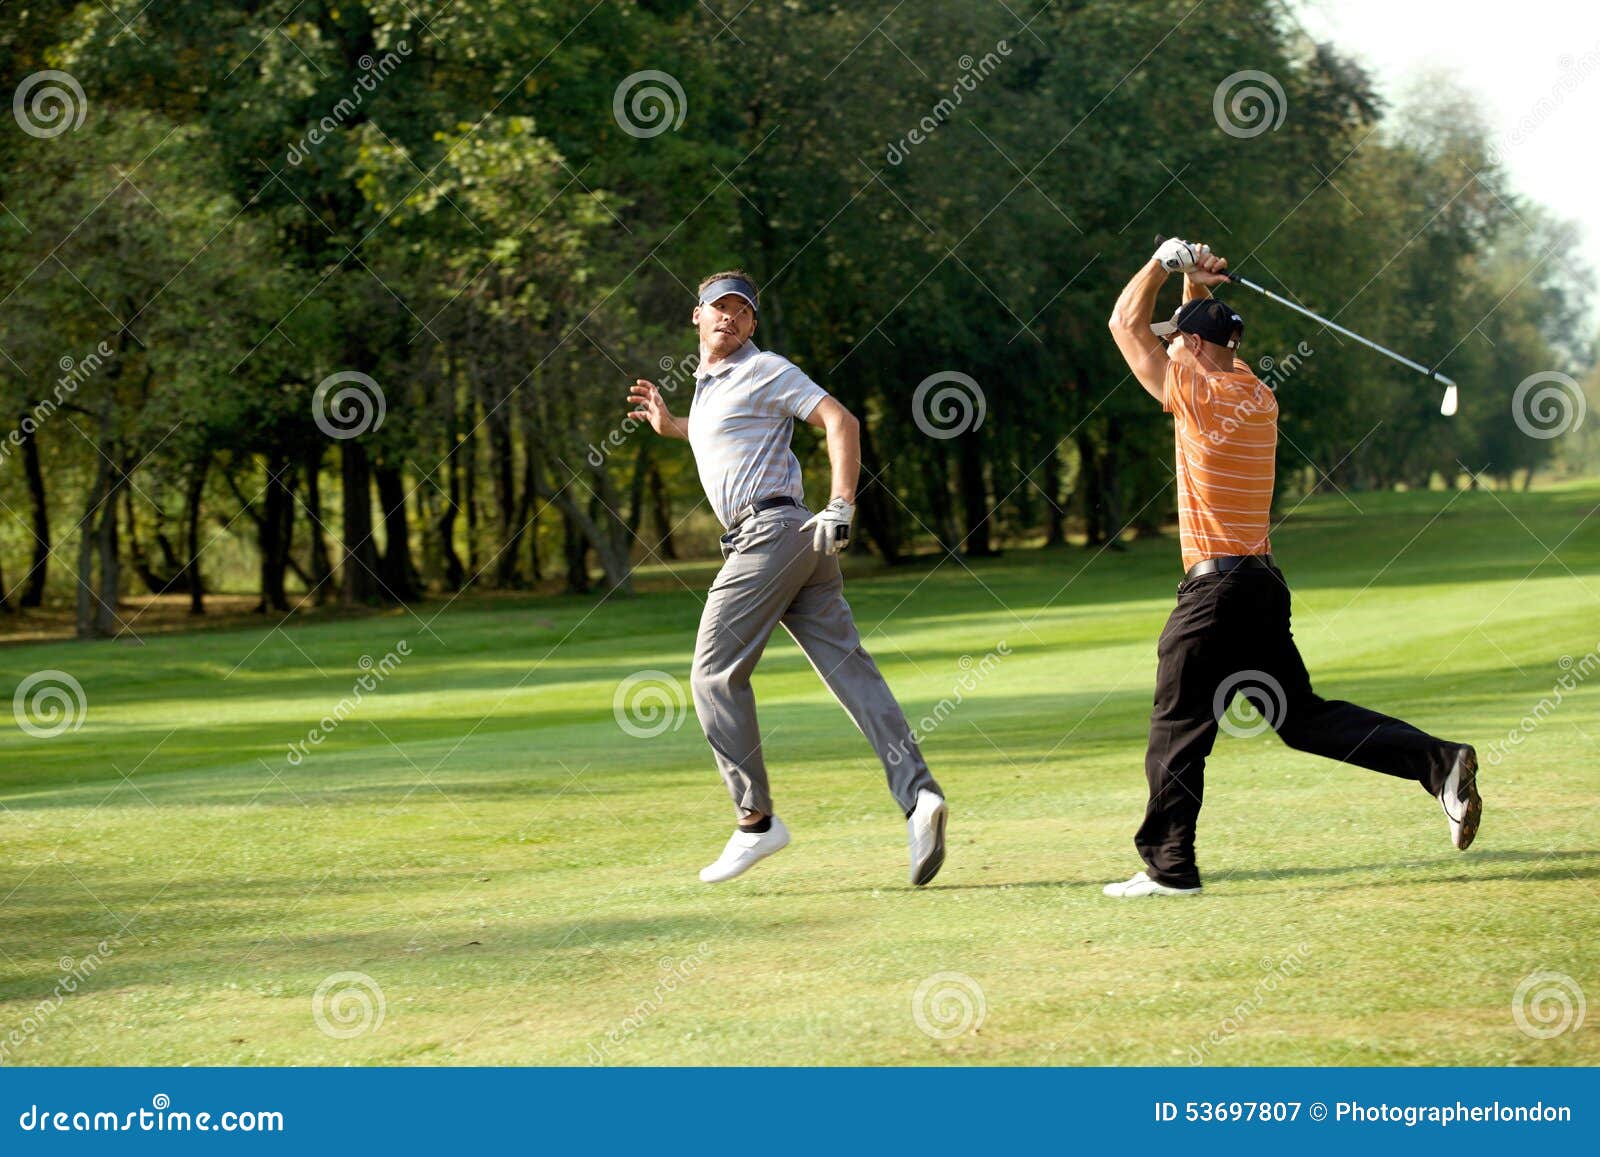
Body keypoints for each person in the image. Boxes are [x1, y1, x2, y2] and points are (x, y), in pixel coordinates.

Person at [1101, 237, 1482, 897]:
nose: (1168, 349)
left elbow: (1123, 324)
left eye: (1178, 343)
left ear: (1192, 349)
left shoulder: (1193, 390)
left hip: (1214, 589)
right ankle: (1439, 762)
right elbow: (1198, 334)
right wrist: (1196, 283)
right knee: (1300, 716)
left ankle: (1170, 867)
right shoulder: (1253, 392)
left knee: (1178, 720)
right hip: (1259, 586)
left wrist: (1162, 264)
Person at [627, 270, 948, 886]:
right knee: (852, 673)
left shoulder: (764, 367)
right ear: (696, 317)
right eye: (718, 308)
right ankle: (919, 799)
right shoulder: (710, 386)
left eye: (741, 312)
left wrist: (843, 505)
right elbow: (725, 439)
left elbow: (842, 421)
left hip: (772, 535)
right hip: (800, 543)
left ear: (751, 325)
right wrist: (672, 427)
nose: (729, 318)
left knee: (713, 674)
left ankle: (756, 822)